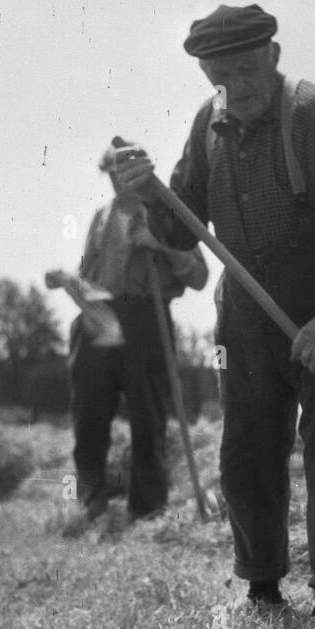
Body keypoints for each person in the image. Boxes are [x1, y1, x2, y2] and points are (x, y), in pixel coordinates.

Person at [111, 3, 315, 616]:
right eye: (219, 79)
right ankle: (262, 585)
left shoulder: (312, 114)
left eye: (245, 72)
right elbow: (180, 230)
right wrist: (142, 194)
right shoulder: (207, 125)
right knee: (246, 448)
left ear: (273, 57)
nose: (235, 91)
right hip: (244, 309)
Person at [68, 145, 207, 522]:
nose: (118, 180)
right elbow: (85, 273)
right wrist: (73, 287)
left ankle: (147, 510)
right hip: (99, 318)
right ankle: (91, 503)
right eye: (112, 173)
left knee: (148, 418)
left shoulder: (165, 216)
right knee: (89, 415)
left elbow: (198, 276)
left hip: (147, 317)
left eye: (125, 172)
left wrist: (158, 245)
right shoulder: (101, 217)